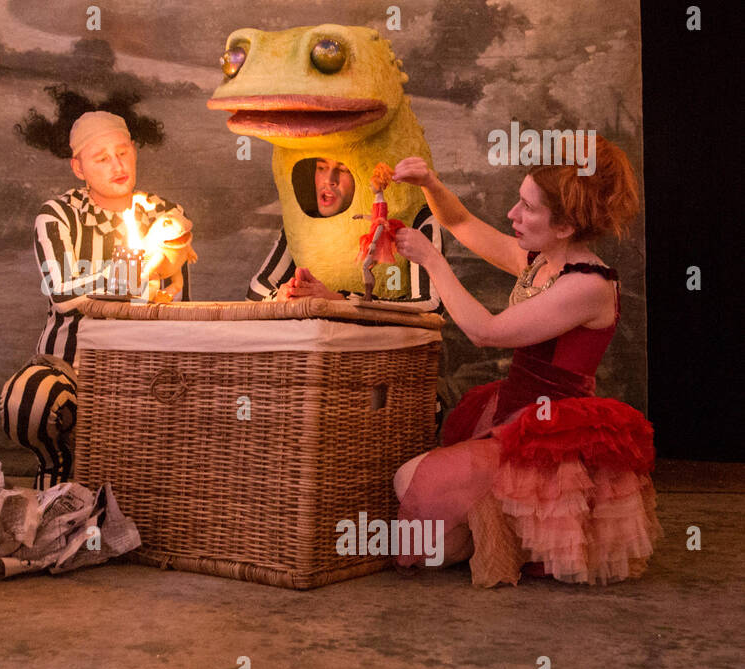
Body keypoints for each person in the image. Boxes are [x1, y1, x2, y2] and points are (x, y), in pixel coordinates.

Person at [388, 140, 661, 586]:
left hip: (551, 436)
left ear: (567, 225)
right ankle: (500, 525)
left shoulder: (587, 286)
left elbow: (485, 332)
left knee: (410, 486)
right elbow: (459, 221)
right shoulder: (541, 262)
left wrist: (432, 262)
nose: (512, 214)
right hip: (512, 414)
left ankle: (515, 531)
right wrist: (430, 184)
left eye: (527, 207)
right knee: (424, 520)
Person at [2, 88, 194, 487]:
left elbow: (181, 309)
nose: (117, 165)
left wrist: (168, 271)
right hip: (69, 368)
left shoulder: (164, 215)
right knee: (29, 398)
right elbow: (64, 291)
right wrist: (140, 268)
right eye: (101, 158)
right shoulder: (57, 216)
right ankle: (57, 478)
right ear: (78, 167)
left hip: (144, 371)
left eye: (123, 152)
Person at [247, 157, 442, 307]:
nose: (329, 180)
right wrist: (285, 295)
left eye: (343, 169)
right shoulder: (301, 223)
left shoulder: (417, 217)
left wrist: (338, 300)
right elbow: (256, 291)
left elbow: (429, 307)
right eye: (321, 168)